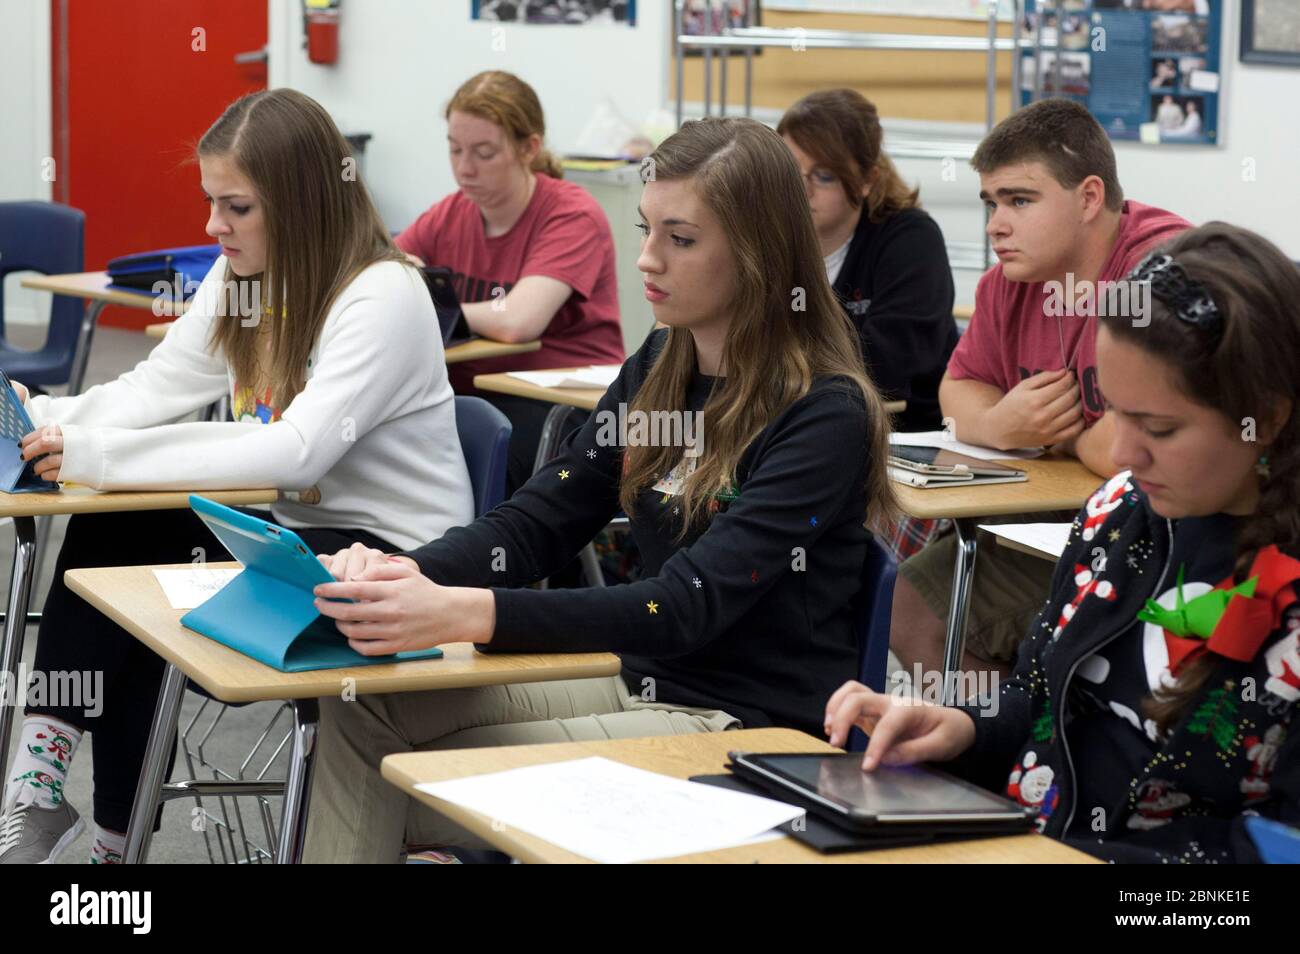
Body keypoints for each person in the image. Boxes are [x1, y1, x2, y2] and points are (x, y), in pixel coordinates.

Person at [302, 116, 898, 863]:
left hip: (747, 729)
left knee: (405, 780)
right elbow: (542, 517)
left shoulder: (825, 413)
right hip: (645, 686)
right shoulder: (661, 359)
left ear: (759, 254)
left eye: (680, 239)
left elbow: (682, 605)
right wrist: (408, 573)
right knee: (361, 711)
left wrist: (458, 613)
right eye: (647, 229)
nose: (645, 259)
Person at [0, 89, 472, 865]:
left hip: (390, 554)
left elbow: (295, 453)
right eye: (211, 202)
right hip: (296, 528)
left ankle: (113, 848)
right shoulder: (246, 275)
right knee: (124, 544)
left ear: (303, 203)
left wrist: (93, 454)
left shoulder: (383, 295)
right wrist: (47, 414)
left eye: (236, 207)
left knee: (133, 540)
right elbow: (153, 390)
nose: (212, 227)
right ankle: (41, 789)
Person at [827, 222, 1300, 863]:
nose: (1124, 452)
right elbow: (1041, 699)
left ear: (1266, 418)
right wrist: (963, 728)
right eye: (1112, 410)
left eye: (1158, 426)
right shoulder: (1120, 513)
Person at [891, 98, 1189, 681]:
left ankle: (1053, 740)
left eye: (1020, 201)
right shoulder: (1009, 281)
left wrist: (1067, 439)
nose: (995, 225)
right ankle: (1008, 748)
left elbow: (1137, 443)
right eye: (991, 203)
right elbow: (958, 389)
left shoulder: (1163, 270)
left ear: (1089, 198)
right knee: (911, 607)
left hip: (1165, 539)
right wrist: (1002, 424)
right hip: (1062, 526)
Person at [396, 70, 624, 493]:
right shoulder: (450, 213)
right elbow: (388, 270)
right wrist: (396, 272)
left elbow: (519, 320)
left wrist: (441, 308)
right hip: (476, 397)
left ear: (529, 148)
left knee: (467, 467)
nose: (465, 168)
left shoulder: (571, 214)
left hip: (565, 408)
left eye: (484, 152)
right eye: (455, 149)